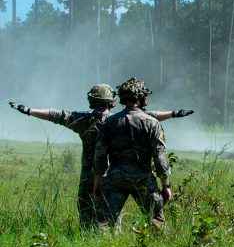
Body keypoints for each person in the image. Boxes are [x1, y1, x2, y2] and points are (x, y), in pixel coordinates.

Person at [7, 85, 193, 229]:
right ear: (112, 101)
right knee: (114, 219)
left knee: (89, 213)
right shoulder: (116, 118)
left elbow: (55, 114)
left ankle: (89, 239)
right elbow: (149, 116)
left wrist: (28, 110)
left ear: (91, 100)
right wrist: (174, 114)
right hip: (113, 175)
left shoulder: (83, 120)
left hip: (91, 175)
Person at [93, 78, 173, 230]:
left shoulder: (109, 123)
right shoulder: (152, 123)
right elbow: (160, 157)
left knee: (106, 225)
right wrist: (166, 185)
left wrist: (97, 184)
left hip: (116, 179)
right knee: (156, 222)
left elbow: (100, 157)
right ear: (143, 98)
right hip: (143, 179)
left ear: (122, 99)